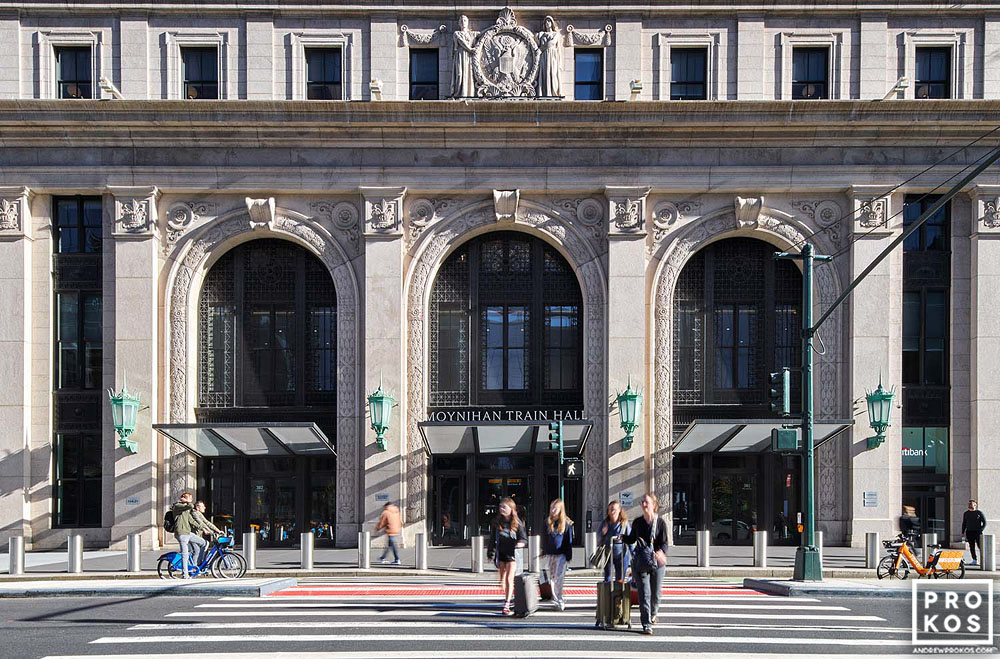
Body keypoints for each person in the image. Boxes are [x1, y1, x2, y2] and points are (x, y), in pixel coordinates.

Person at [621, 493, 669, 635]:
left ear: (654, 505)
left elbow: (664, 542)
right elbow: (632, 539)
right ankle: (646, 624)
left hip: (657, 562)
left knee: (655, 594)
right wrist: (623, 537)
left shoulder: (660, 523)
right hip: (641, 562)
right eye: (642, 502)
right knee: (644, 593)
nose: (643, 505)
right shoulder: (637, 522)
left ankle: (653, 613)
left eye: (646, 502)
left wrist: (661, 552)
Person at [487, 496, 527, 615]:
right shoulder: (496, 522)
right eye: (500, 506)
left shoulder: (517, 523)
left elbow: (524, 538)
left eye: (504, 507)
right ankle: (508, 597)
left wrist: (520, 544)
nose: (502, 509)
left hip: (512, 554)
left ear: (511, 508)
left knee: (510, 579)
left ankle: (507, 602)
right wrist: (490, 553)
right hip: (501, 553)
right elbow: (493, 539)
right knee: (502, 580)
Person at [541, 498, 573, 610]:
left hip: (561, 554)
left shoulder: (566, 524)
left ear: (560, 510)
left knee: (559, 577)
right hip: (550, 553)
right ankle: (555, 598)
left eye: (556, 508)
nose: (553, 510)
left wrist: (569, 554)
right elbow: (544, 537)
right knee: (551, 578)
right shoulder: (547, 522)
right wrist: (543, 550)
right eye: (552, 508)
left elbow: (568, 540)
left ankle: (560, 598)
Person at [171, 491, 207, 579]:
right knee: (185, 554)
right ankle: (185, 574)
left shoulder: (186, 508)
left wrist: (203, 529)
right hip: (181, 533)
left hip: (187, 532)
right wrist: (187, 502)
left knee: (203, 543)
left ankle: (195, 565)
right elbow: (190, 505)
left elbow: (191, 520)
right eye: (190, 498)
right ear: (185, 499)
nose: (191, 500)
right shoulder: (177, 506)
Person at [599, 500, 631, 582]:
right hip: (608, 554)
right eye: (610, 509)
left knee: (620, 579)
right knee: (607, 578)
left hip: (622, 554)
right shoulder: (605, 523)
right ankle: (607, 594)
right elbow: (599, 536)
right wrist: (603, 533)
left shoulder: (624, 523)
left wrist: (634, 554)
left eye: (614, 509)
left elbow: (631, 539)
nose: (612, 511)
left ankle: (618, 594)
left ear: (619, 510)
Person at [536, 16, 562, 97]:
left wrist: (541, 49)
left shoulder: (556, 34)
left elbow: (552, 43)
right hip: (544, 56)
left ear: (552, 23)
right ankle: (545, 93)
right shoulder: (541, 34)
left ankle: (553, 92)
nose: (547, 23)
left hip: (552, 55)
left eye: (549, 21)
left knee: (552, 73)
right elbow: (535, 43)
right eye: (546, 22)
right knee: (545, 73)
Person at [451, 15, 477, 98]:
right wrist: (470, 49)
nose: (463, 22)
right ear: (459, 23)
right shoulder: (456, 33)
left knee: (468, 75)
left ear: (467, 22)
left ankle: (467, 94)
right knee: (459, 74)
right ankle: (458, 93)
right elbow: (461, 42)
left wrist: (495, 28)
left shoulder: (471, 34)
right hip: (460, 56)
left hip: (468, 58)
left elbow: (483, 33)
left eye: (465, 20)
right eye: (461, 20)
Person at [962, 499, 987, 566]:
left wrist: (981, 530)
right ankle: (974, 560)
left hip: (977, 532)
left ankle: (983, 560)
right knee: (971, 546)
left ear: (975, 505)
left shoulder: (979, 513)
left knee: (980, 546)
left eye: (971, 504)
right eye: (969, 504)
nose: (969, 505)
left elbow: (984, 522)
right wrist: (963, 532)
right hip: (969, 532)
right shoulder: (966, 513)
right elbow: (964, 523)